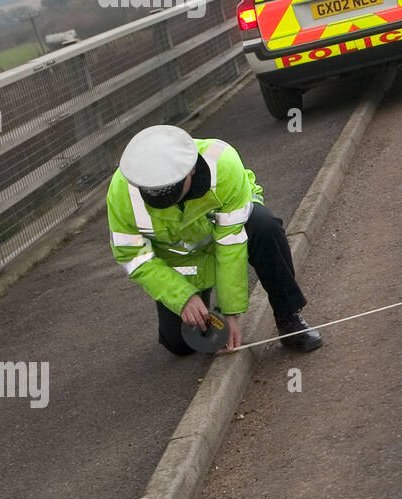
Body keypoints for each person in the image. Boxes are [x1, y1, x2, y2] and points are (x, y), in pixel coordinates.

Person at [107, 124, 322, 355]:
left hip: (230, 235)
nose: (166, 203)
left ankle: (288, 318)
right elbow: (133, 257)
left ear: (191, 170)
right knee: (179, 345)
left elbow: (231, 243)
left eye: (172, 192)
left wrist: (230, 313)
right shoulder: (121, 192)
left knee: (264, 225)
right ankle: (198, 295)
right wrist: (183, 297)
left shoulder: (223, 164)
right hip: (181, 262)